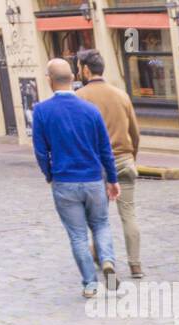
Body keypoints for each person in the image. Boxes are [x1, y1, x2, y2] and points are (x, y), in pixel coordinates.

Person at [31, 58, 120, 298]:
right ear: (73, 77)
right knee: (101, 224)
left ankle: (90, 284)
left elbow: (40, 151)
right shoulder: (91, 110)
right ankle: (108, 261)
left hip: (65, 181)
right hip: (93, 179)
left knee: (78, 235)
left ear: (49, 80)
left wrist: (49, 174)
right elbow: (105, 149)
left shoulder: (41, 111)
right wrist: (112, 179)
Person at [75, 49, 143, 278]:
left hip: (96, 165)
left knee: (97, 216)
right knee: (129, 214)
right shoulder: (121, 95)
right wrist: (132, 156)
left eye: (78, 67)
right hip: (124, 160)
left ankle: (102, 257)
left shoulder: (80, 97)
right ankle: (135, 265)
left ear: (85, 69)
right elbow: (135, 132)